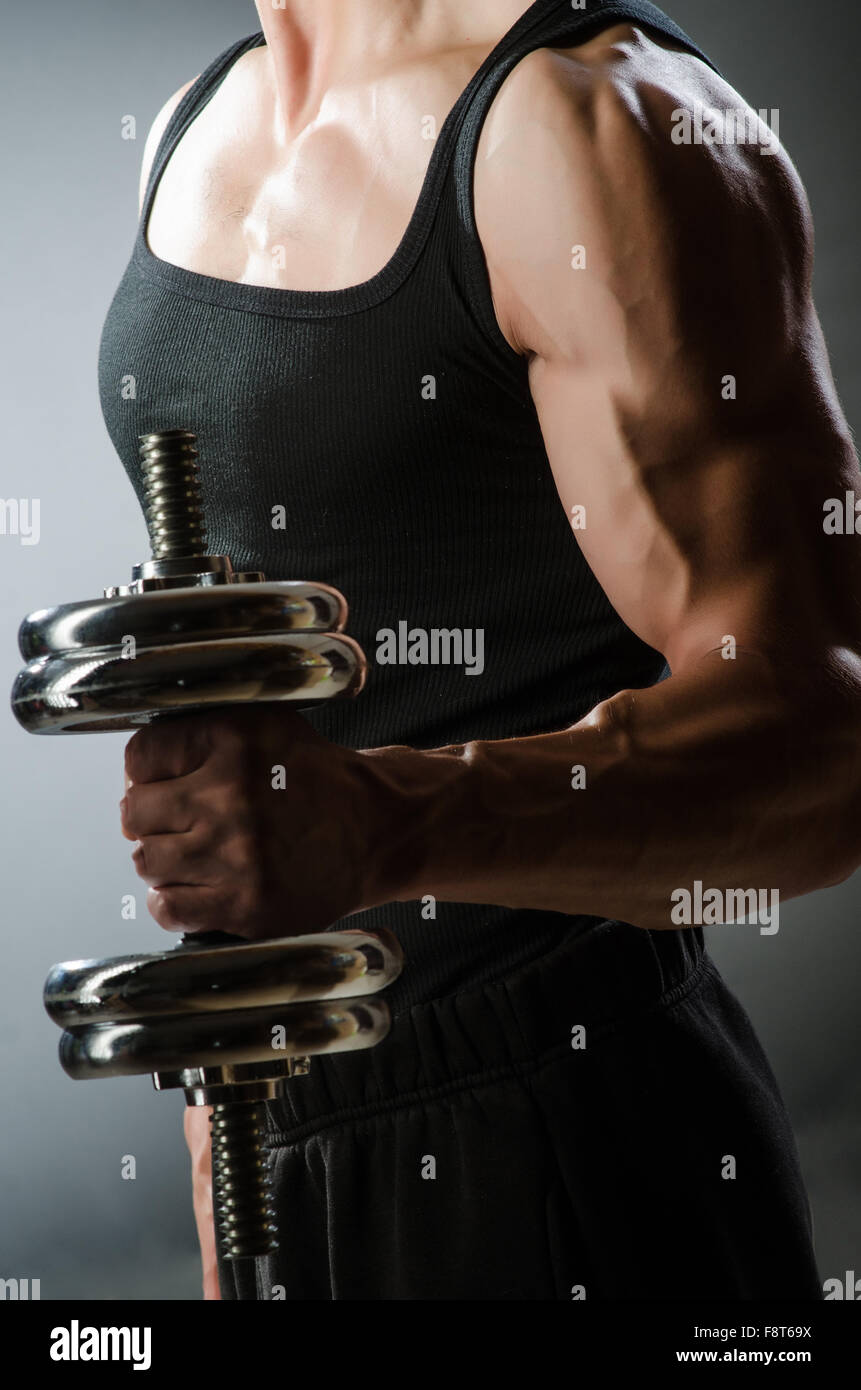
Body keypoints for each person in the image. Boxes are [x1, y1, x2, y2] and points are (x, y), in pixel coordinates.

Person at [101, 0, 861, 1300]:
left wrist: (391, 825)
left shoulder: (592, 125)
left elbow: (824, 752)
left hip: (563, 1127)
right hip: (270, 1138)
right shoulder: (196, 122)